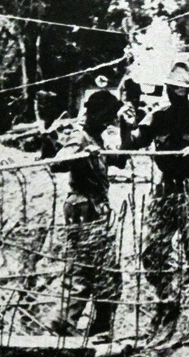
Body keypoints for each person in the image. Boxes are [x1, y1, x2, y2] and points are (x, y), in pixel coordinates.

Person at [125, 62, 189, 339]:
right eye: (170, 88)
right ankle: (167, 303)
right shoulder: (156, 116)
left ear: (188, 91)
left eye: (179, 89)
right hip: (166, 191)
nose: (173, 93)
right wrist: (124, 125)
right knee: (153, 251)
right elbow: (133, 143)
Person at [49, 90, 123, 338]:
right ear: (95, 114)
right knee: (82, 268)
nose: (107, 122)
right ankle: (65, 323)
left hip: (97, 207)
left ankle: (101, 326)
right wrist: (80, 155)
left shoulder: (97, 138)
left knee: (107, 270)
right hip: (83, 208)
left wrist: (124, 128)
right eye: (106, 116)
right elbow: (57, 162)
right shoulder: (80, 137)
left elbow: (120, 160)